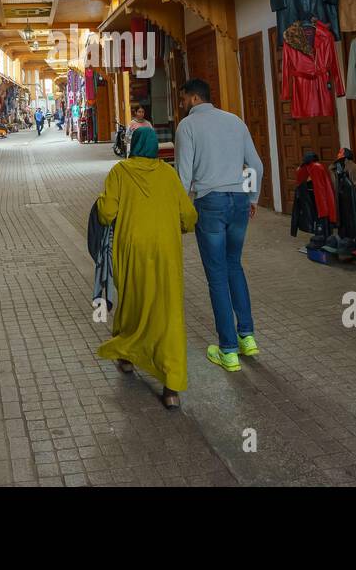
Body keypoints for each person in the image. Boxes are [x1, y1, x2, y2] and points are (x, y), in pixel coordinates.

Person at [96, 126, 198, 410]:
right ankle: (171, 388)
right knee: (167, 313)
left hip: (132, 250)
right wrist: (183, 226)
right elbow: (188, 216)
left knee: (133, 302)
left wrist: (101, 203)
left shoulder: (119, 172)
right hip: (166, 252)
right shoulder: (168, 174)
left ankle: (127, 357)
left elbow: (106, 213)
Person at [174, 78, 265, 373]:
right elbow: (256, 165)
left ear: (193, 97)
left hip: (210, 203)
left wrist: (179, 212)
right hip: (238, 201)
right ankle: (247, 337)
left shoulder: (187, 127)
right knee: (234, 266)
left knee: (216, 277)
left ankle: (227, 350)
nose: (182, 103)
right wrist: (252, 196)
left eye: (183, 98)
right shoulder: (235, 121)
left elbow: (184, 174)